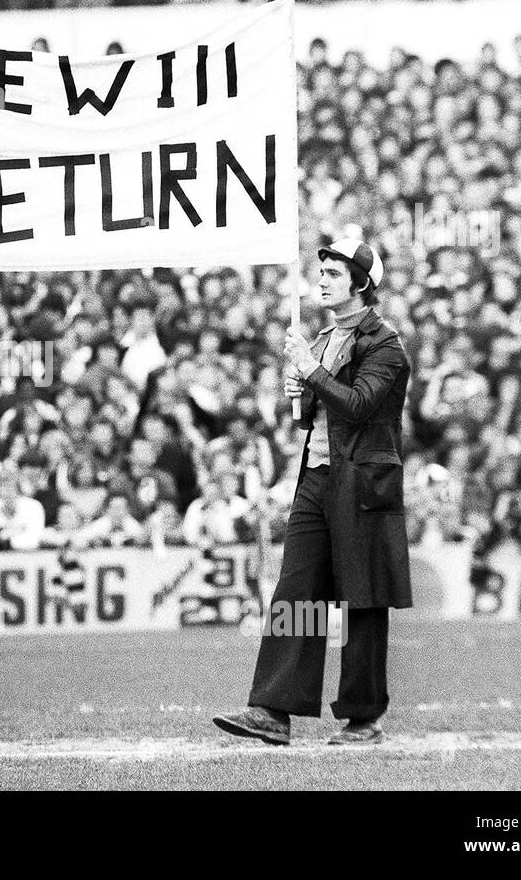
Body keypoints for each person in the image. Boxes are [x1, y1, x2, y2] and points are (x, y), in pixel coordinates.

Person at [213, 237, 412, 747]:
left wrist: (311, 370)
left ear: (361, 283)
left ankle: (364, 716)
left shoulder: (384, 343)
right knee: (295, 591)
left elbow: (361, 405)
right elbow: (316, 414)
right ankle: (273, 709)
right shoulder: (323, 337)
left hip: (362, 482)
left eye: (333, 273)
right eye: (320, 270)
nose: (320, 279)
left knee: (361, 601)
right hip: (319, 476)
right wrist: (298, 396)